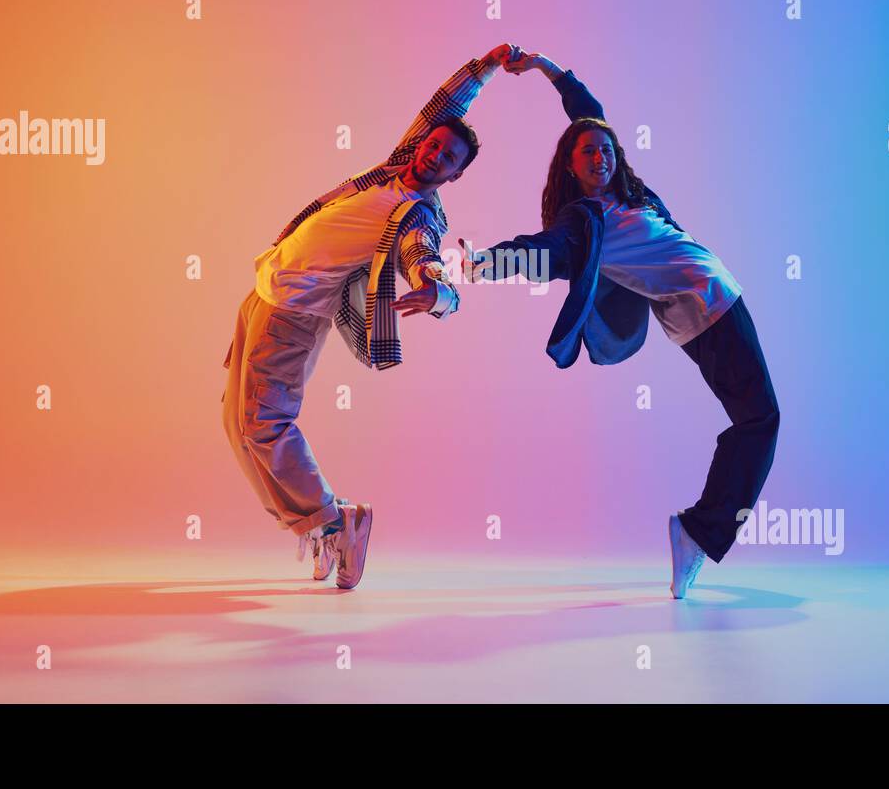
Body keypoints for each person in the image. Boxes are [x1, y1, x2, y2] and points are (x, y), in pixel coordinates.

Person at [466, 51, 780, 599]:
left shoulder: (631, 196)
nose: (599, 157)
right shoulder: (584, 221)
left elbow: (588, 112)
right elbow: (540, 250)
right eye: (587, 152)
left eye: (606, 150)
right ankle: (698, 531)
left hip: (718, 299)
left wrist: (541, 64)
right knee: (760, 419)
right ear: (571, 164)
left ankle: (700, 531)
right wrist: (474, 265)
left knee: (754, 418)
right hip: (709, 311)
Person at [222, 45, 519, 589]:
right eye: (433, 146)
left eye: (447, 159)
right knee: (238, 426)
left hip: (292, 313)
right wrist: (488, 64)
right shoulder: (394, 169)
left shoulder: (416, 212)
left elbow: (422, 255)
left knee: (263, 425)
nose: (434, 156)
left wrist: (438, 293)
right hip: (264, 295)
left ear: (454, 176)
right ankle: (316, 528)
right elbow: (443, 105)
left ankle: (336, 522)